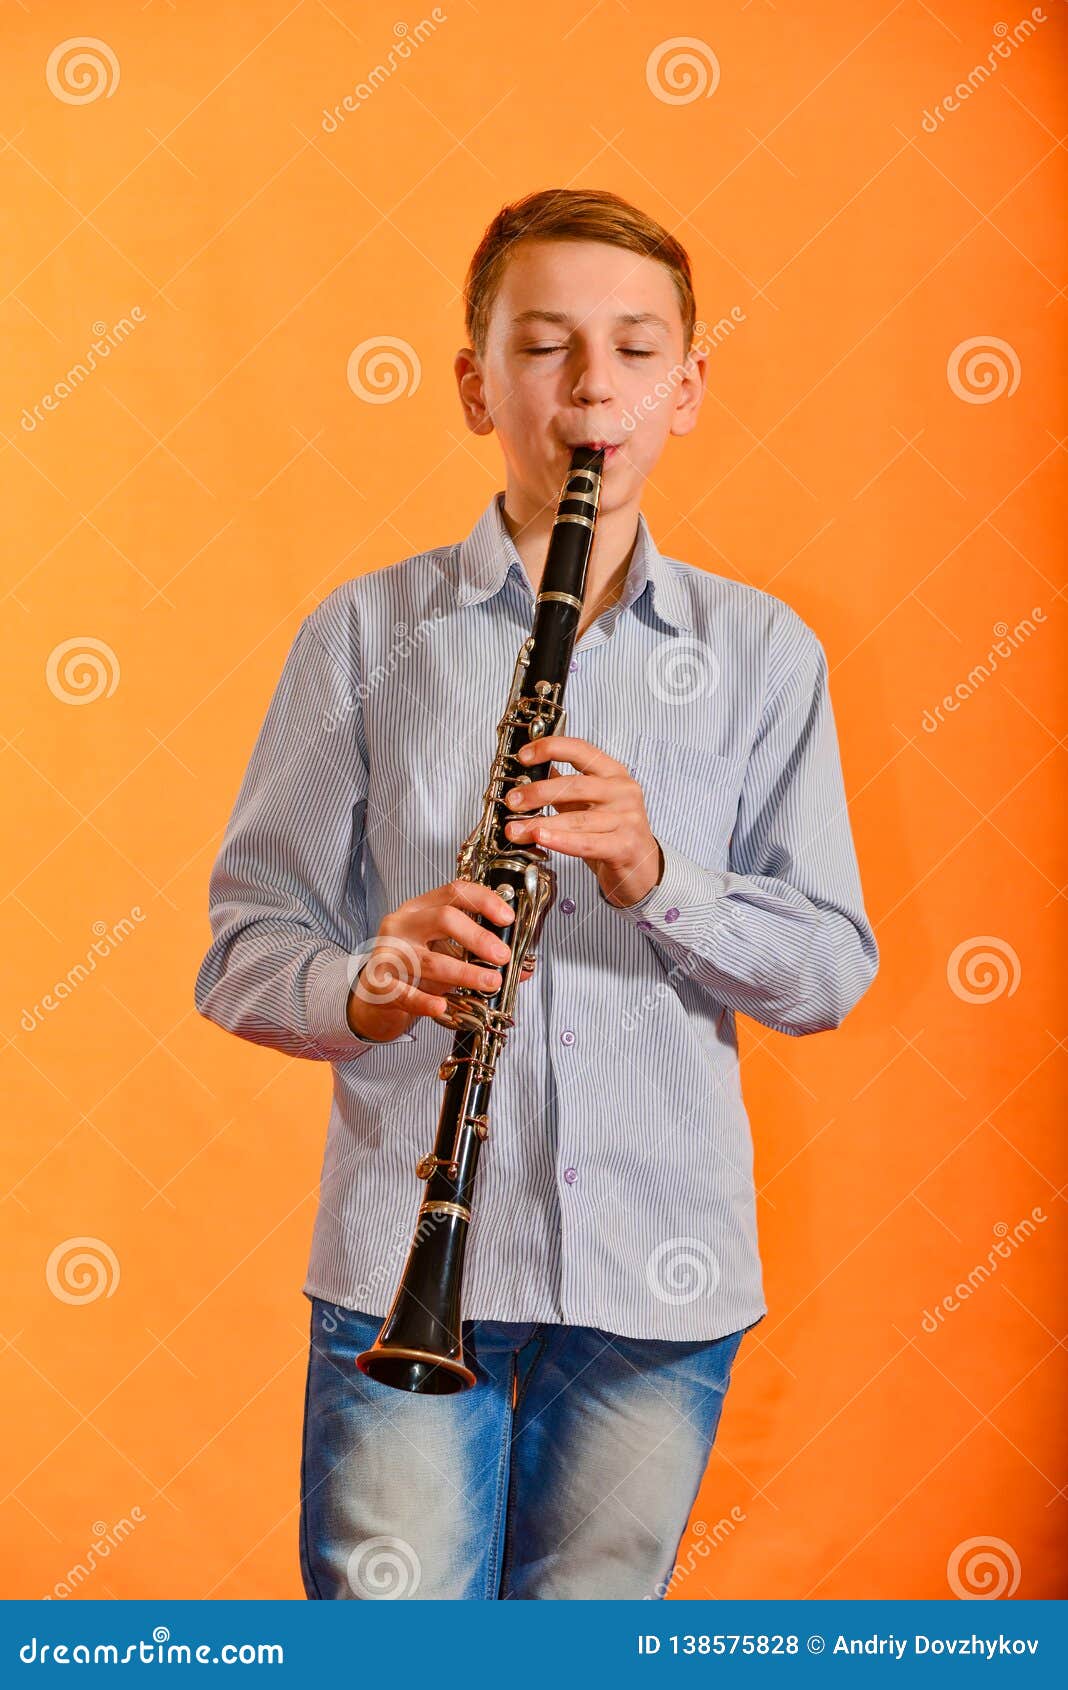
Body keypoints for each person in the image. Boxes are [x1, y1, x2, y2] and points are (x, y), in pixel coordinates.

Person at [194, 188, 879, 1601]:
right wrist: (369, 981)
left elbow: (829, 972)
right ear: (474, 382)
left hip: (660, 1284)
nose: (590, 388)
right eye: (545, 345)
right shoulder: (367, 635)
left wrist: (659, 874)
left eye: (635, 351)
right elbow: (244, 950)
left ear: (686, 391)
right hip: (407, 1252)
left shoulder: (763, 654)